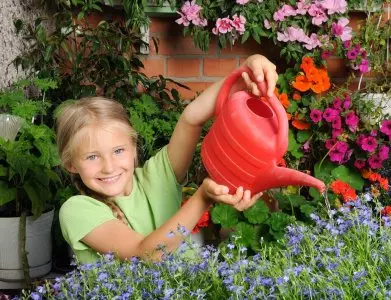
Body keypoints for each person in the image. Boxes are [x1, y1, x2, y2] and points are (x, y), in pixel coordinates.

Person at [56, 54, 279, 264]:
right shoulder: (77, 210)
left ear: (134, 148)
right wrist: (202, 198)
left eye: (118, 151)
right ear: (71, 164)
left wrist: (249, 69)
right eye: (93, 156)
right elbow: (145, 254)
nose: (109, 166)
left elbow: (191, 119)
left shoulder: (156, 176)